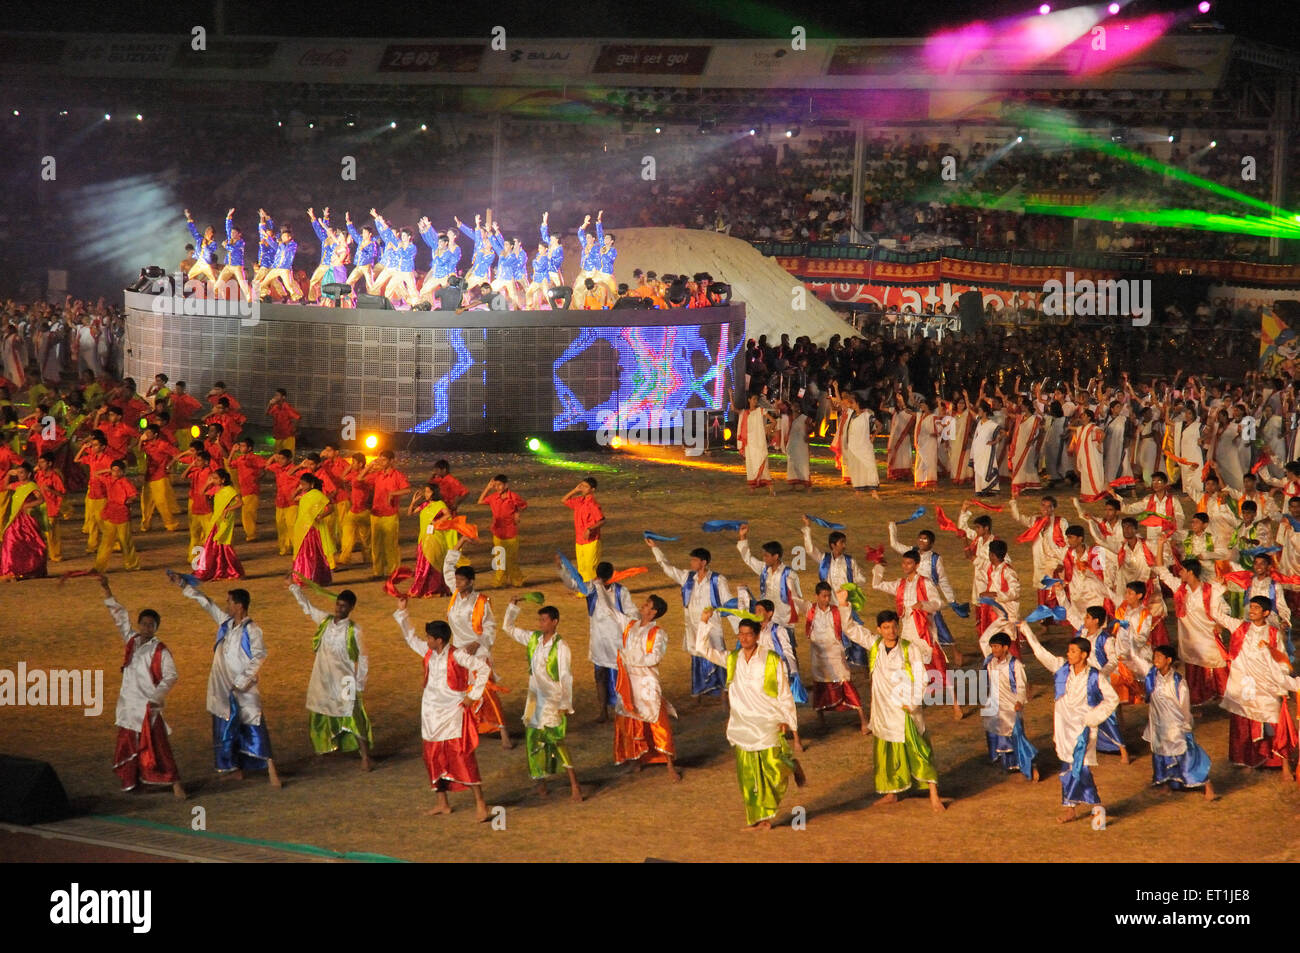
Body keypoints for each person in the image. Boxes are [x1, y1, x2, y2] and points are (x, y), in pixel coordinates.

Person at [169, 571, 281, 787]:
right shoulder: (227, 624)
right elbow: (207, 604)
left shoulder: (253, 629)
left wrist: (242, 681)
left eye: (229, 602)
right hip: (223, 686)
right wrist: (183, 585)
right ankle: (236, 769)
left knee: (254, 723)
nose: (226, 605)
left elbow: (260, 655)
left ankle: (272, 771)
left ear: (239, 606)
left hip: (243, 687)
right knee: (227, 726)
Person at [694, 617, 802, 830]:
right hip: (742, 726)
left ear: (758, 635)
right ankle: (760, 818)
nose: (744, 638)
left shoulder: (772, 660)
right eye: (740, 634)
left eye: (748, 634)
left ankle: (789, 765)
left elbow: (784, 692)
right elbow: (701, 649)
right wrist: (704, 624)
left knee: (772, 769)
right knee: (748, 777)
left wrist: (788, 721)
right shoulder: (732, 658)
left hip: (767, 723)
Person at [394, 599, 491, 820]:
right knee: (431, 756)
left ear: (439, 640)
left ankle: (480, 803)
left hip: (452, 713)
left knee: (462, 755)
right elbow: (410, 638)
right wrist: (403, 612)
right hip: (430, 714)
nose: (425, 640)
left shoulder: (457, 655)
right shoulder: (428, 653)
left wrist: (472, 696)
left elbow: (482, 668)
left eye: (429, 637)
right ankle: (442, 803)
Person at [843, 605, 946, 810]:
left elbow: (922, 678)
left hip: (904, 709)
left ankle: (934, 795)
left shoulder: (910, 649)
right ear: (879, 629)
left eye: (893, 627)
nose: (890, 631)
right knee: (886, 752)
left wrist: (914, 701)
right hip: (883, 711)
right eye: (886, 627)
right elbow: (851, 629)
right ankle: (891, 793)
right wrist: (844, 605)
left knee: (919, 751)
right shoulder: (874, 645)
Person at [1018, 622, 1118, 824]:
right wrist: (1026, 630)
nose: (1068, 653)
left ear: (1083, 655)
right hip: (1064, 728)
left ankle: (1097, 808)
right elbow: (1040, 652)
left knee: (1078, 768)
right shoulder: (1062, 669)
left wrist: (1093, 718)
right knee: (1068, 768)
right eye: (1069, 650)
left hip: (1083, 729)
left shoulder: (1095, 677)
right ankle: (1071, 809)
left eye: (1073, 651)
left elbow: (1112, 699)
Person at [100, 576, 185, 798]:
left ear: (157, 627)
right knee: (129, 744)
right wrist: (107, 589)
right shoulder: (132, 642)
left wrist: (157, 697)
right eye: (144, 624)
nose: (147, 628)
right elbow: (119, 617)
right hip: (129, 705)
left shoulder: (161, 651)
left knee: (158, 747)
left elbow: (171, 675)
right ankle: (134, 781)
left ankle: (175, 784)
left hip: (147, 706)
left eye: (151, 625)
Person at [502, 598, 582, 800]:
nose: (541, 624)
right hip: (534, 697)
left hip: (552, 698)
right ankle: (541, 782)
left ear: (555, 622)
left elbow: (566, 676)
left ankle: (574, 784)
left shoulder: (561, 646)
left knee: (556, 740)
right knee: (533, 740)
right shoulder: (533, 639)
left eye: (544, 620)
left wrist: (565, 703)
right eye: (540, 620)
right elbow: (508, 628)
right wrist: (513, 607)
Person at [289, 578, 373, 771]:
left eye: (344, 606)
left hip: (346, 680)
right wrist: (294, 588)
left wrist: (360, 683)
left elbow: (364, 657)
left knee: (353, 714)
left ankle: (365, 756)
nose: (339, 609)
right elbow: (307, 607)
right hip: (323, 677)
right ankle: (325, 749)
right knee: (321, 711)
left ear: (351, 608)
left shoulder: (355, 630)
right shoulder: (325, 621)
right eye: (338, 604)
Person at [443, 542, 512, 749]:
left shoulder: (481, 601)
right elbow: (447, 566)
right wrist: (460, 543)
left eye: (462, 581)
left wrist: (477, 642)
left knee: (486, 691)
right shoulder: (455, 594)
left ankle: (503, 732)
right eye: (456, 580)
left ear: (471, 582)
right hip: (458, 652)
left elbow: (490, 627)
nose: (457, 583)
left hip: (478, 652)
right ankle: (465, 728)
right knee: (458, 691)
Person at [1220, 595, 1300, 769]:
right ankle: (1249, 761)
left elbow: (1281, 659)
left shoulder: (1273, 633)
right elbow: (1216, 614)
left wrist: (1282, 681)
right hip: (1244, 684)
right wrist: (1218, 589)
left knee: (1273, 720)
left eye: (1256, 608)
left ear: (1266, 613)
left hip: (1266, 685)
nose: (1252, 610)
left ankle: (1282, 764)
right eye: (1251, 607)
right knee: (1244, 720)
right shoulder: (1240, 627)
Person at [1125, 645, 1215, 798]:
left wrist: (1186, 725)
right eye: (1155, 657)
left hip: (1175, 725)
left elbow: (1184, 706)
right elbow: (1135, 658)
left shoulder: (1178, 682)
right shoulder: (1151, 676)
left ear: (1169, 660)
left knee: (1187, 755)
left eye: (1159, 657)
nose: (1156, 660)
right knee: (1160, 755)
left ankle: (1208, 787)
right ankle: (1166, 785)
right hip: (1158, 724)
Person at [1152, 542, 1236, 705]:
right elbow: (1161, 570)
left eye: (1182, 570)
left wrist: (1221, 624)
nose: (1180, 573)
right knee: (1193, 665)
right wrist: (1161, 544)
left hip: (1208, 636)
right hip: (1190, 639)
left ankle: (1226, 696)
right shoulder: (1180, 589)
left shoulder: (1211, 589)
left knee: (1217, 663)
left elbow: (1225, 608)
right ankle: (1199, 697)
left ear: (1190, 572)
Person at [648, 537, 732, 699]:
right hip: (693, 626)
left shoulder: (717, 580)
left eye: (694, 560)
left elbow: (728, 602)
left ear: (704, 562)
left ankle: (725, 694)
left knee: (717, 656)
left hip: (712, 627)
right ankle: (699, 694)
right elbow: (668, 568)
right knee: (697, 656)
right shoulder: (687, 577)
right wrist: (655, 548)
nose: (691, 563)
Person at [610, 593, 681, 778]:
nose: (642, 605)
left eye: (647, 604)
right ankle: (636, 758)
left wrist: (631, 659)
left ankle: (669, 763)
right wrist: (600, 586)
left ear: (653, 612)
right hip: (629, 681)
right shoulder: (631, 625)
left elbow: (655, 657)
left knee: (656, 719)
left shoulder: (659, 634)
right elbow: (611, 611)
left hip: (647, 682)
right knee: (631, 718)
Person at [558, 556, 635, 721]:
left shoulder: (621, 591)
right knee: (600, 677)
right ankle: (603, 711)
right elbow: (573, 584)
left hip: (617, 643)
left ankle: (620, 711)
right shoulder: (591, 589)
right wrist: (563, 569)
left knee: (620, 679)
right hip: (599, 643)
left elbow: (632, 613)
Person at [795, 582, 867, 732]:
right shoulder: (810, 609)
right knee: (820, 685)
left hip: (835, 653)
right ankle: (821, 720)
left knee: (845, 681)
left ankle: (863, 720)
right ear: (817, 596)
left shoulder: (836, 611)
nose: (827, 599)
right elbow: (794, 599)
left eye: (829, 596)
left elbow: (847, 619)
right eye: (824, 596)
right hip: (818, 655)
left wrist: (844, 602)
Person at [980, 632, 1038, 780]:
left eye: (996, 647)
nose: (994, 650)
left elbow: (1021, 685)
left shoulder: (1015, 665)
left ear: (1006, 648)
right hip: (995, 705)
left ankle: (1030, 764)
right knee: (997, 735)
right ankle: (1006, 762)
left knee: (1016, 736)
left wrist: (1019, 701)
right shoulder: (990, 662)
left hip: (1011, 707)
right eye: (992, 647)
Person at [360, 450, 409, 578]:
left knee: (390, 545)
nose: (381, 462)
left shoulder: (397, 475)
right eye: (379, 459)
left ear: (391, 461)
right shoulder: (377, 475)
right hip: (376, 514)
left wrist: (393, 494)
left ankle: (394, 572)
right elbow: (359, 479)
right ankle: (378, 572)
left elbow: (407, 489)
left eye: (383, 460)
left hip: (390, 515)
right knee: (376, 545)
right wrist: (370, 466)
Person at [0, 461, 48, 579]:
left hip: (26, 520)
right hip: (15, 518)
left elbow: (41, 500)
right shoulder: (17, 485)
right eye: (18, 473)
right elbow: (4, 487)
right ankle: (11, 569)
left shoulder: (32, 486)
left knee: (29, 544)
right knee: (10, 542)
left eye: (22, 473)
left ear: (29, 474)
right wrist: (8, 475)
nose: (20, 475)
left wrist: (27, 505)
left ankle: (29, 569)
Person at [193, 468, 243, 580]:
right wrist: (207, 483)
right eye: (213, 478)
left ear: (223, 480)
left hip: (225, 520)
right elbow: (201, 493)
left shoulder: (230, 490)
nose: (214, 480)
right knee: (213, 545)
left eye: (216, 478)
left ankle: (230, 570)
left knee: (223, 545)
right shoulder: (216, 489)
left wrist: (227, 509)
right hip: (216, 520)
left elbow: (240, 503)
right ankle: (217, 569)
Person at [479, 474, 527, 587]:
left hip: (511, 533)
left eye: (499, 485)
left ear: (506, 485)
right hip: (498, 533)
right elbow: (480, 501)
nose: (497, 487)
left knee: (511, 560)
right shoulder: (493, 497)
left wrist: (517, 513)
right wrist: (487, 488)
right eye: (495, 485)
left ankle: (517, 581)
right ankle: (499, 582)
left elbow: (524, 505)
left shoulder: (514, 497)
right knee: (499, 560)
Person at [95, 459, 141, 573]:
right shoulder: (108, 480)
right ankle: (99, 567)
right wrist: (109, 470)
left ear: (122, 472)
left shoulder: (125, 482)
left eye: (118, 470)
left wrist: (127, 502)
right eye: (113, 471)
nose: (115, 473)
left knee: (125, 541)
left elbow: (134, 495)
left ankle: (132, 564)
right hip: (110, 513)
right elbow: (95, 474)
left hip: (122, 514)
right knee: (106, 541)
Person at [291, 473, 335, 585]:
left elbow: (330, 507)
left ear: (312, 484)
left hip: (312, 530)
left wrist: (321, 516)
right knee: (302, 554)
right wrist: (298, 489)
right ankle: (304, 576)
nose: (302, 486)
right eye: (301, 484)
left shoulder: (317, 495)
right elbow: (292, 498)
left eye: (304, 484)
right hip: (302, 529)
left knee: (312, 555)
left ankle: (312, 577)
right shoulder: (304, 496)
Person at [561, 477, 605, 582]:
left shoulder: (593, 504)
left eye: (586, 487)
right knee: (581, 568)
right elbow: (564, 500)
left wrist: (590, 529)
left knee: (590, 568)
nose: (583, 488)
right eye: (582, 486)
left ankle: (592, 591)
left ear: (592, 489)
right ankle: (584, 591)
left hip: (591, 540)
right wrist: (575, 490)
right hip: (580, 540)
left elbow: (602, 520)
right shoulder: (579, 501)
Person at [737, 392, 775, 493]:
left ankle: (771, 488)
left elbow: (773, 421)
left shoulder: (760, 411)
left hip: (759, 442)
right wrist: (731, 396)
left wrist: (768, 430)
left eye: (756, 399)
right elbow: (734, 409)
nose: (755, 401)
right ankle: (752, 489)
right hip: (749, 443)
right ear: (749, 400)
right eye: (753, 399)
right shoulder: (745, 413)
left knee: (762, 462)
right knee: (751, 464)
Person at [266, 389, 301, 454]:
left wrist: (294, 428)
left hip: (287, 436)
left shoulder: (287, 407)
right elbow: (267, 413)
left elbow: (297, 417)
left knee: (287, 455)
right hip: (278, 435)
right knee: (277, 455)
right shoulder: (275, 407)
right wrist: (269, 404)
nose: (275, 397)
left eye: (277, 395)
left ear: (283, 397)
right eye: (275, 395)